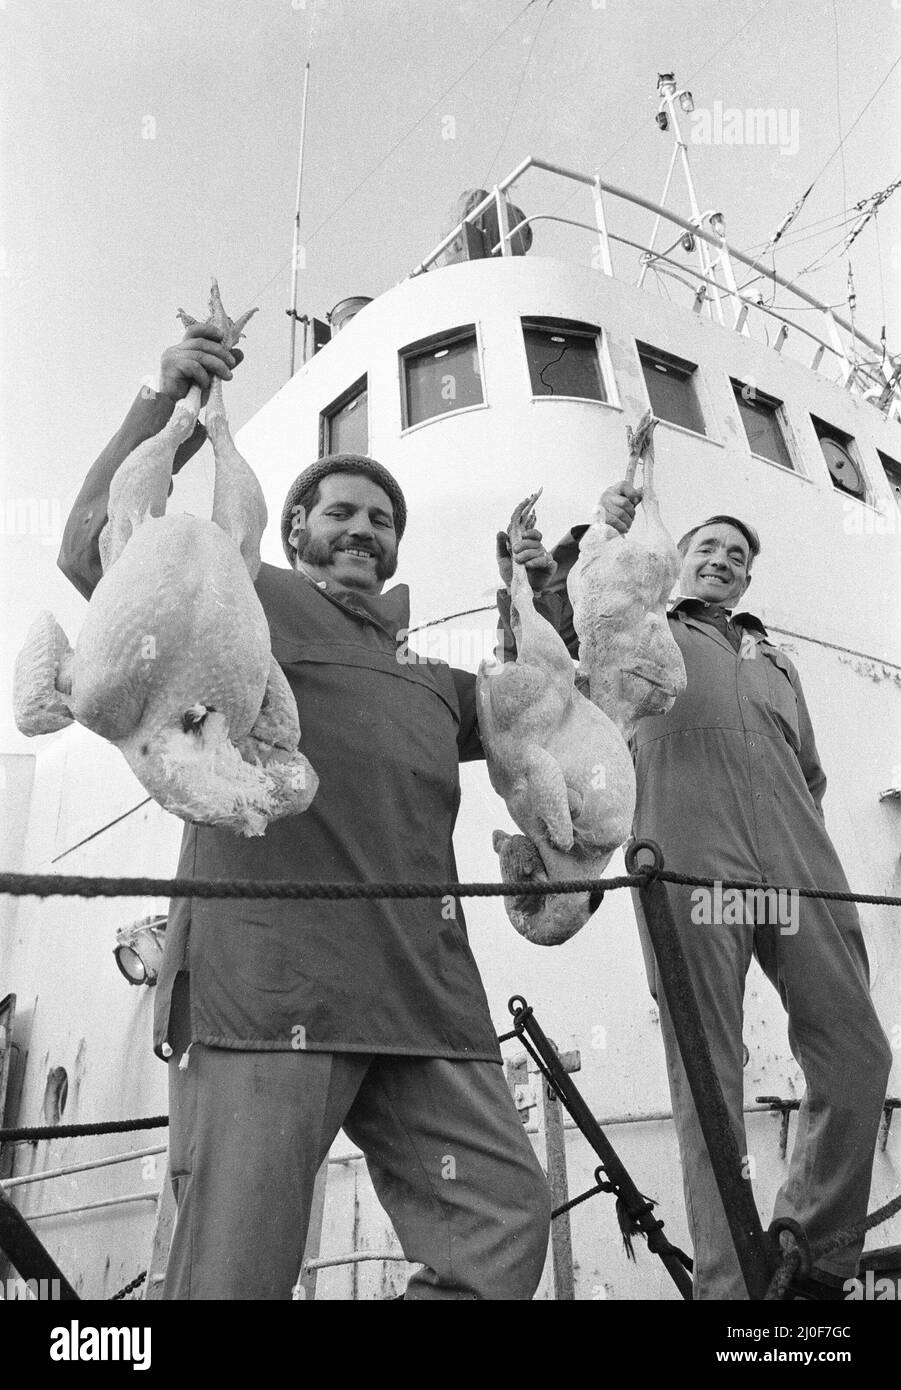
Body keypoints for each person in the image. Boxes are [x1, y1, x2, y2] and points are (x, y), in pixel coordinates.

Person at [58, 318, 553, 1301]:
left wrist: (540, 599)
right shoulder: (250, 594)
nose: (365, 529)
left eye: (380, 518)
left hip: (425, 1002)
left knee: (502, 1222)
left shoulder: (429, 674)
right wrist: (168, 404)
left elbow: (534, 718)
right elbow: (94, 552)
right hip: (266, 991)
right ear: (294, 530)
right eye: (342, 511)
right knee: (229, 1275)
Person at [497, 481, 892, 1301]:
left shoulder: (776, 661)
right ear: (678, 564)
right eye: (706, 547)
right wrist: (537, 576)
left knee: (856, 1050)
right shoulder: (635, 634)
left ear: (746, 581)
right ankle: (733, 1286)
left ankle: (816, 1255)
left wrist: (793, 844)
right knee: (706, 1068)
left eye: (736, 556)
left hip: (792, 870)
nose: (720, 560)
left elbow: (809, 774)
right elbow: (562, 645)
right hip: (690, 862)